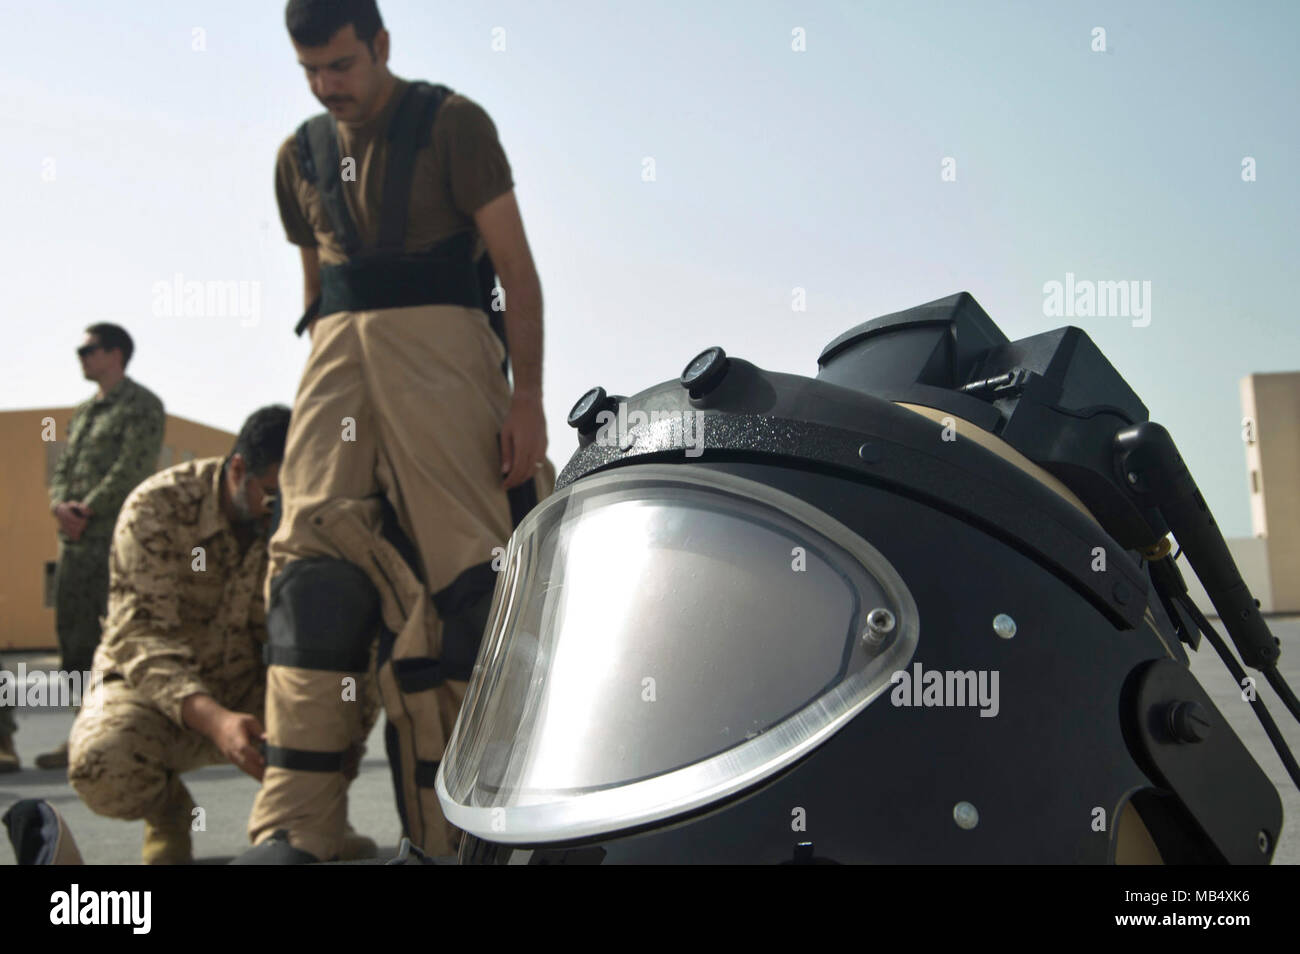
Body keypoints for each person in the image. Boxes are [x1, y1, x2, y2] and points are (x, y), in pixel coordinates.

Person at [239, 0, 554, 863]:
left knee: (468, 589)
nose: (324, 85)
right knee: (314, 580)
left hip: (446, 352)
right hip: (341, 363)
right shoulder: (295, 155)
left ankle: (468, 829)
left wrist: (526, 400)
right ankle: (300, 825)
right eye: (309, 70)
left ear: (381, 45)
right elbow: (317, 294)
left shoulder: (453, 125)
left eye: (340, 65)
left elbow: (518, 278)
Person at [66, 406, 378, 864]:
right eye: (273, 495)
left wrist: (338, 734)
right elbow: (140, 637)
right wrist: (215, 721)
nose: (282, 510)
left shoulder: (302, 518)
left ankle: (305, 821)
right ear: (237, 470)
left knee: (351, 682)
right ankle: (170, 815)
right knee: (101, 765)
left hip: (251, 688)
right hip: (157, 695)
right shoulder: (158, 508)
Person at [39, 323, 164, 770]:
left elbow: (131, 466)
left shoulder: (142, 405)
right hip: (74, 545)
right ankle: (82, 733)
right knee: (74, 642)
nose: (81, 357)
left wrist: (86, 509)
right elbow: (64, 467)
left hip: (114, 543)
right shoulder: (85, 412)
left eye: (88, 349)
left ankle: (127, 737)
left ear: (116, 354)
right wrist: (59, 505)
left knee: (120, 639)